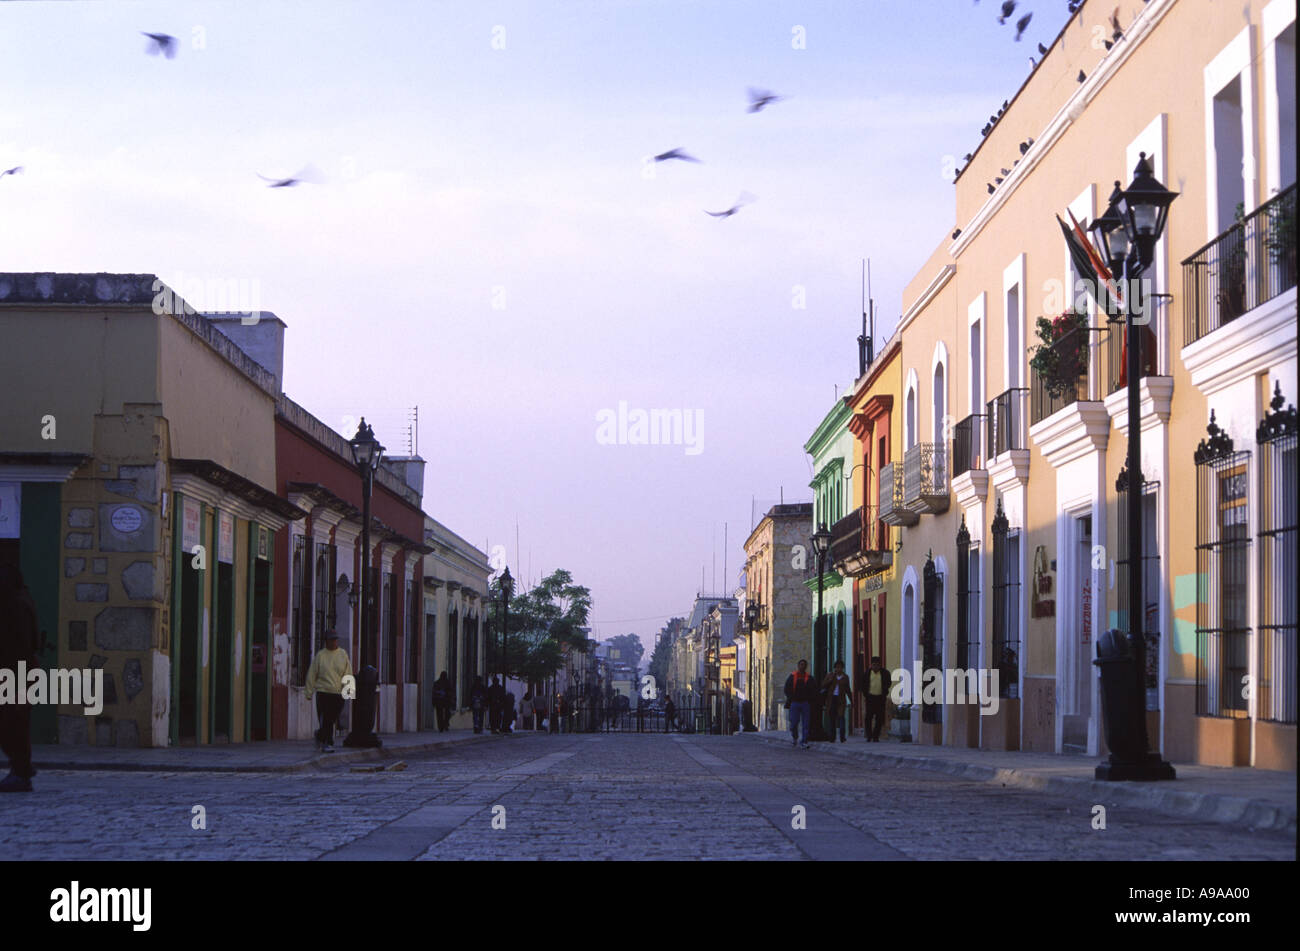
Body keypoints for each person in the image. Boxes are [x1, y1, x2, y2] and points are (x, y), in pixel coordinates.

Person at [0, 563, 41, 792]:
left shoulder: (14, 605)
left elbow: (19, 645)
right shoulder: (19, 601)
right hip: (18, 672)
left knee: (12, 723)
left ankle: (21, 770)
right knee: (14, 723)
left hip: (17, 673)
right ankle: (22, 767)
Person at [304, 629, 353, 753]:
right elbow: (312, 674)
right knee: (326, 718)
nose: (334, 642)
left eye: (335, 640)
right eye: (331, 640)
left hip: (337, 693)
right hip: (323, 692)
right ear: (326, 641)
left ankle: (320, 736)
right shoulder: (320, 656)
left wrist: (348, 692)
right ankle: (327, 742)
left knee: (332, 718)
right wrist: (309, 692)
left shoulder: (343, 654)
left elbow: (347, 673)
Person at [784, 659, 817, 749]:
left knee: (806, 723)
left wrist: (810, 700)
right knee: (793, 723)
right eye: (801, 664)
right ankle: (795, 737)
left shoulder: (809, 678)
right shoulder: (792, 676)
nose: (802, 666)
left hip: (805, 703)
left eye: (804, 665)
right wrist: (790, 697)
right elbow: (786, 688)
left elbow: (814, 690)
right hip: (794, 703)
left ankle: (804, 740)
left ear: (806, 667)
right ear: (798, 666)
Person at [860, 656, 892, 742]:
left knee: (880, 718)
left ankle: (876, 736)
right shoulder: (867, 673)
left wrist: (885, 692)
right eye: (874, 665)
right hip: (870, 698)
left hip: (880, 698)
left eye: (877, 665)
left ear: (880, 665)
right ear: (871, 665)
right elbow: (862, 684)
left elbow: (888, 683)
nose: (875, 667)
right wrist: (865, 694)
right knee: (868, 717)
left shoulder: (885, 673)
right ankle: (869, 735)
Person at [822, 659, 852, 742]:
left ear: (842, 668)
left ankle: (842, 736)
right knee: (832, 719)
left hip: (841, 700)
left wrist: (851, 700)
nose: (838, 669)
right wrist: (830, 680)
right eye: (837, 667)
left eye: (840, 667)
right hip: (831, 699)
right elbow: (823, 685)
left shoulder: (845, 677)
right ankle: (832, 737)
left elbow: (848, 690)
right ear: (834, 668)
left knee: (841, 717)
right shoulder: (830, 675)